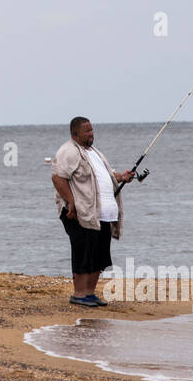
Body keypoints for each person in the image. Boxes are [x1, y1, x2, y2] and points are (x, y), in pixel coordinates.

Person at [51, 117, 134, 307]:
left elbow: (103, 176)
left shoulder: (93, 152)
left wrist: (122, 177)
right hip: (80, 213)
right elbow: (57, 178)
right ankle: (79, 294)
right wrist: (71, 201)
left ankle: (89, 293)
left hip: (102, 214)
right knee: (83, 252)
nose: (91, 133)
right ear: (75, 134)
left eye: (92, 130)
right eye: (86, 131)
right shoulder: (69, 151)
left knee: (99, 254)